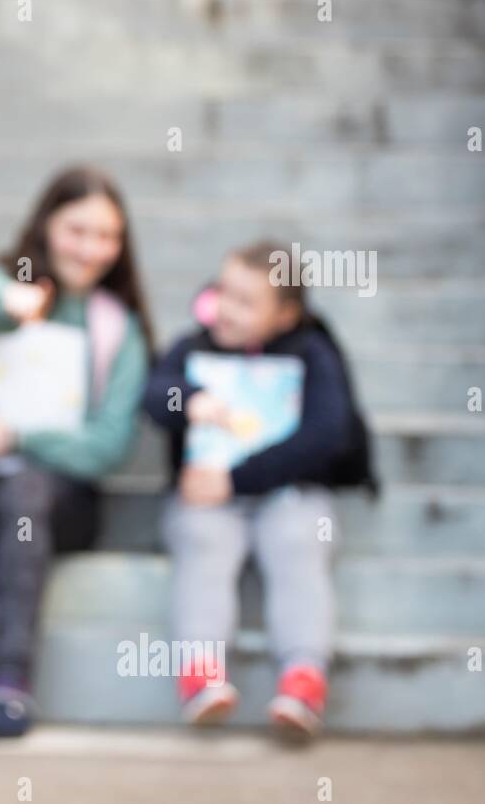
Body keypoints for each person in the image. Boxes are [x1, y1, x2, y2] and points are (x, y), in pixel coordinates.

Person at [0, 166, 153, 738]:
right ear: (46, 225)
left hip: (60, 500)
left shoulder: (121, 330)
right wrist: (14, 299)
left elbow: (108, 446)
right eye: (77, 230)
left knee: (25, 489)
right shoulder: (3, 287)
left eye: (107, 235)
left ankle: (13, 682)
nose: (91, 248)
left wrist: (19, 438)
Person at [142, 240, 375, 741]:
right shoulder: (193, 346)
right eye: (224, 292)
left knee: (299, 543)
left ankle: (303, 676)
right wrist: (188, 400)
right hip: (205, 496)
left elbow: (328, 432)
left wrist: (237, 478)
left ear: (287, 316)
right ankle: (201, 671)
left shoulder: (312, 352)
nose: (227, 308)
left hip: (288, 492)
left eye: (247, 302)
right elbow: (153, 393)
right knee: (203, 545)